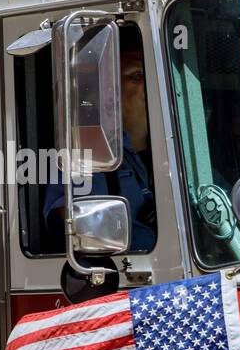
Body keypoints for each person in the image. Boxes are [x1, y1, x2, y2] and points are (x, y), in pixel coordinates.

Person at [43, 29, 157, 252]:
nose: (150, 85)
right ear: (108, 90)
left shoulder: (181, 153)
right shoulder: (85, 152)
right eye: (136, 75)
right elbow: (73, 221)